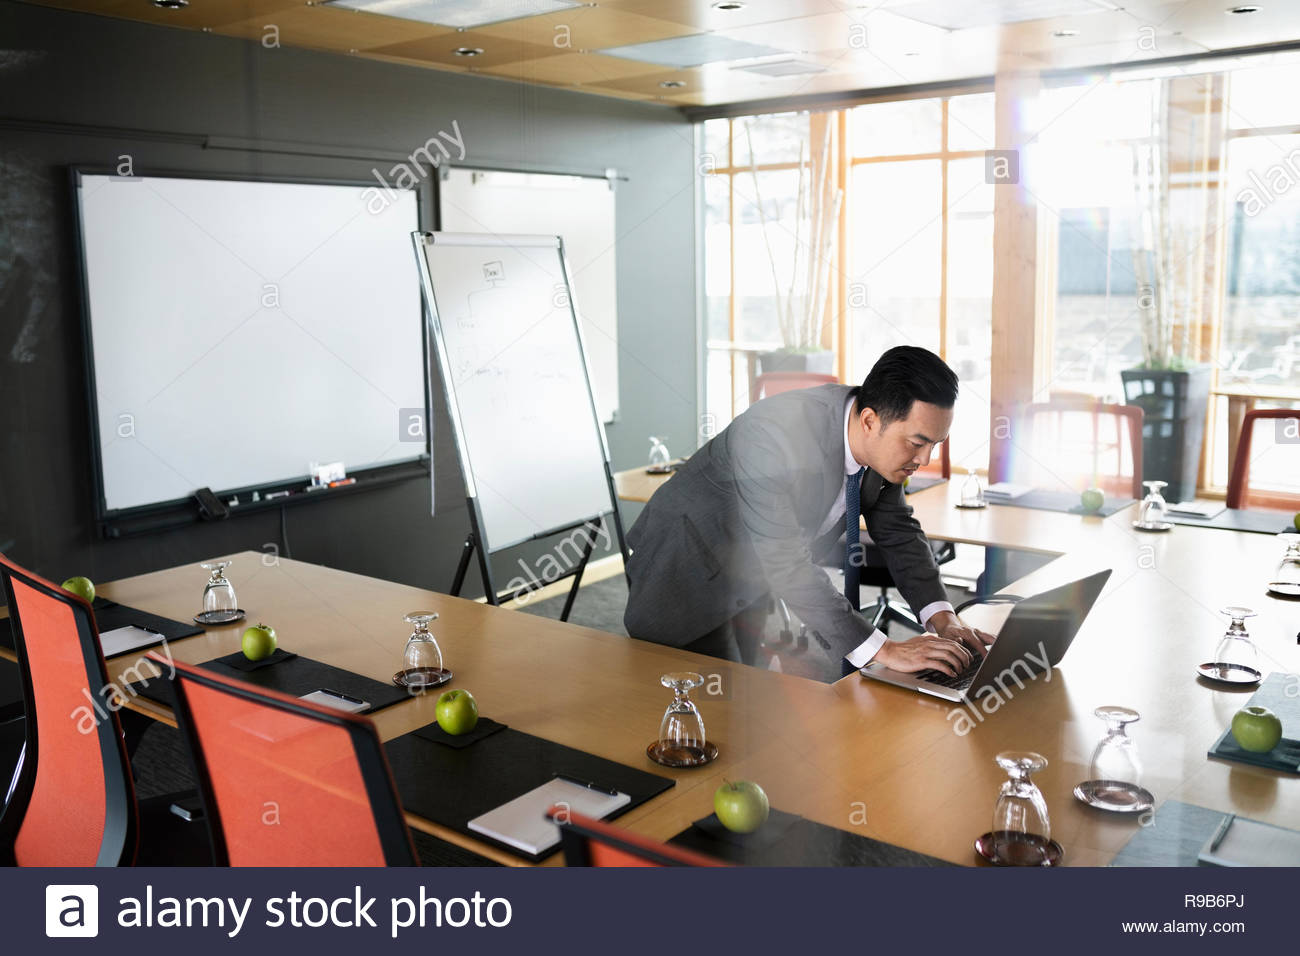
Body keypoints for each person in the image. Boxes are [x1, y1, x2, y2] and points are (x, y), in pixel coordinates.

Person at [623, 345, 992, 677]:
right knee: (689, 701)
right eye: (917, 443)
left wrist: (943, 619)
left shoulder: (881, 448)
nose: (925, 459)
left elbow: (899, 532)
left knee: (746, 699)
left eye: (935, 445)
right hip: (687, 564)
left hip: (750, 574)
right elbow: (786, 562)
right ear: (869, 421)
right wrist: (886, 649)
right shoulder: (774, 435)